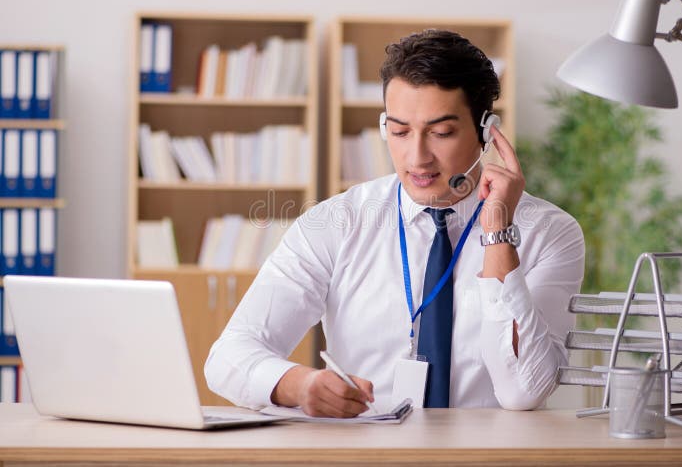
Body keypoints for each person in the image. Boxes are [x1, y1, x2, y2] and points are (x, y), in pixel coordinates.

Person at [205, 29, 584, 417]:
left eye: (441, 133)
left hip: (484, 459)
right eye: (400, 131)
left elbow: (524, 390)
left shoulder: (550, 233)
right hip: (369, 455)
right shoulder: (336, 223)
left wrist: (498, 233)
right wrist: (298, 385)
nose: (417, 157)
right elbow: (227, 357)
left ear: (487, 132)